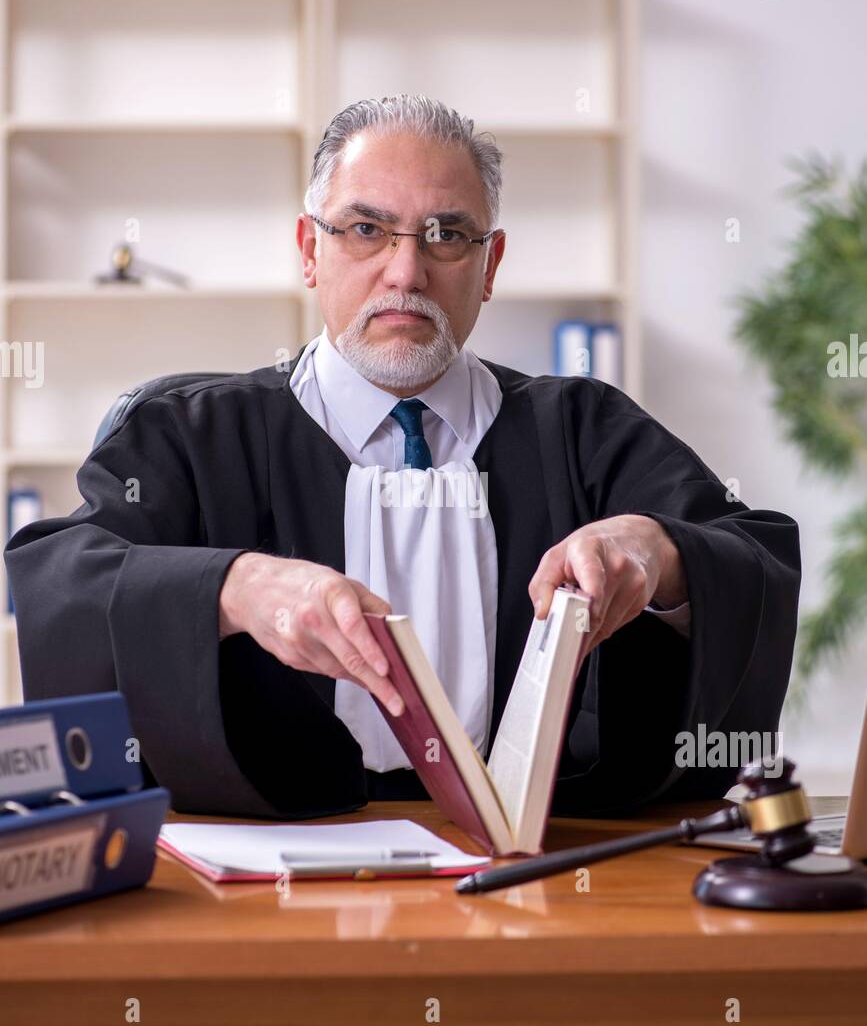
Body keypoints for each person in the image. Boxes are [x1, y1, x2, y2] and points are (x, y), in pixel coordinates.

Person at [4, 95, 800, 820]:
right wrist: (235, 588)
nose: (405, 270)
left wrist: (659, 557)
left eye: (447, 235)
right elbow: (61, 579)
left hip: (537, 868)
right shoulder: (188, 435)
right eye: (364, 228)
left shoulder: (582, 430)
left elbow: (749, 557)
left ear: (488, 268)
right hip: (274, 860)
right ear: (309, 251)